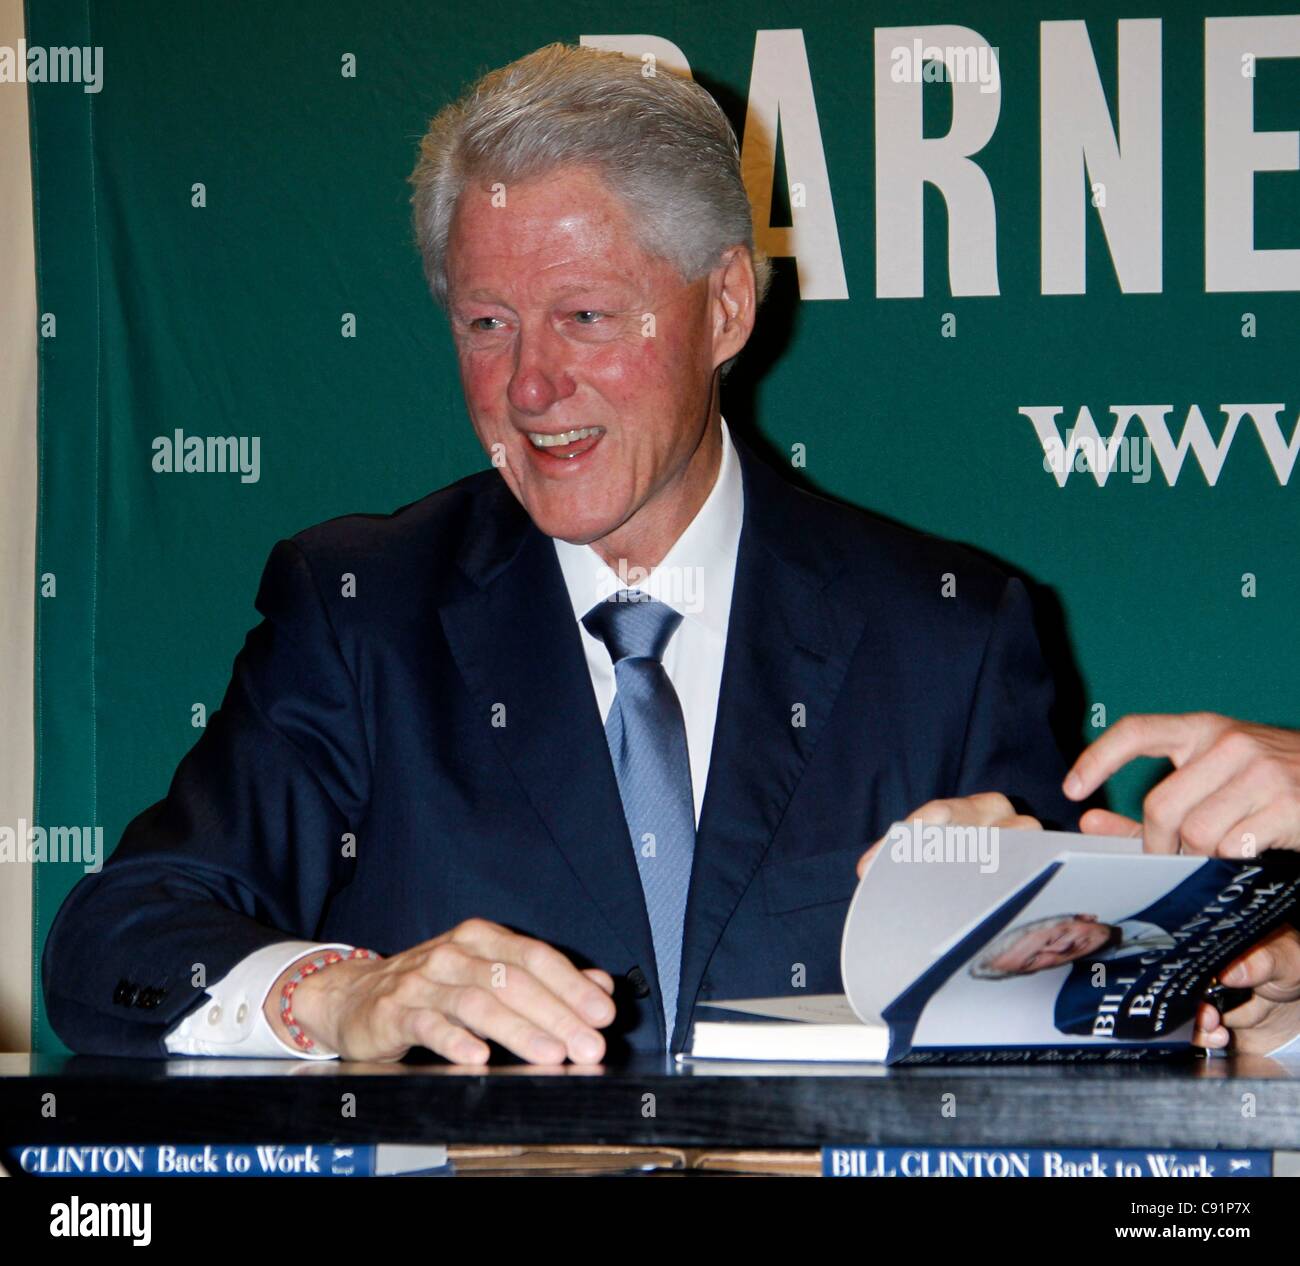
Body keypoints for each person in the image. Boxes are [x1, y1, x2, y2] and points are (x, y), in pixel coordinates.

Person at [40, 43, 1077, 1065]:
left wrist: (1029, 952)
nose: (529, 387)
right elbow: (114, 943)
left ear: (725, 306)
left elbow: (1081, 1003)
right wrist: (344, 993)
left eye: (584, 317)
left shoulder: (950, 632)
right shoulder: (361, 614)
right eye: (487, 323)